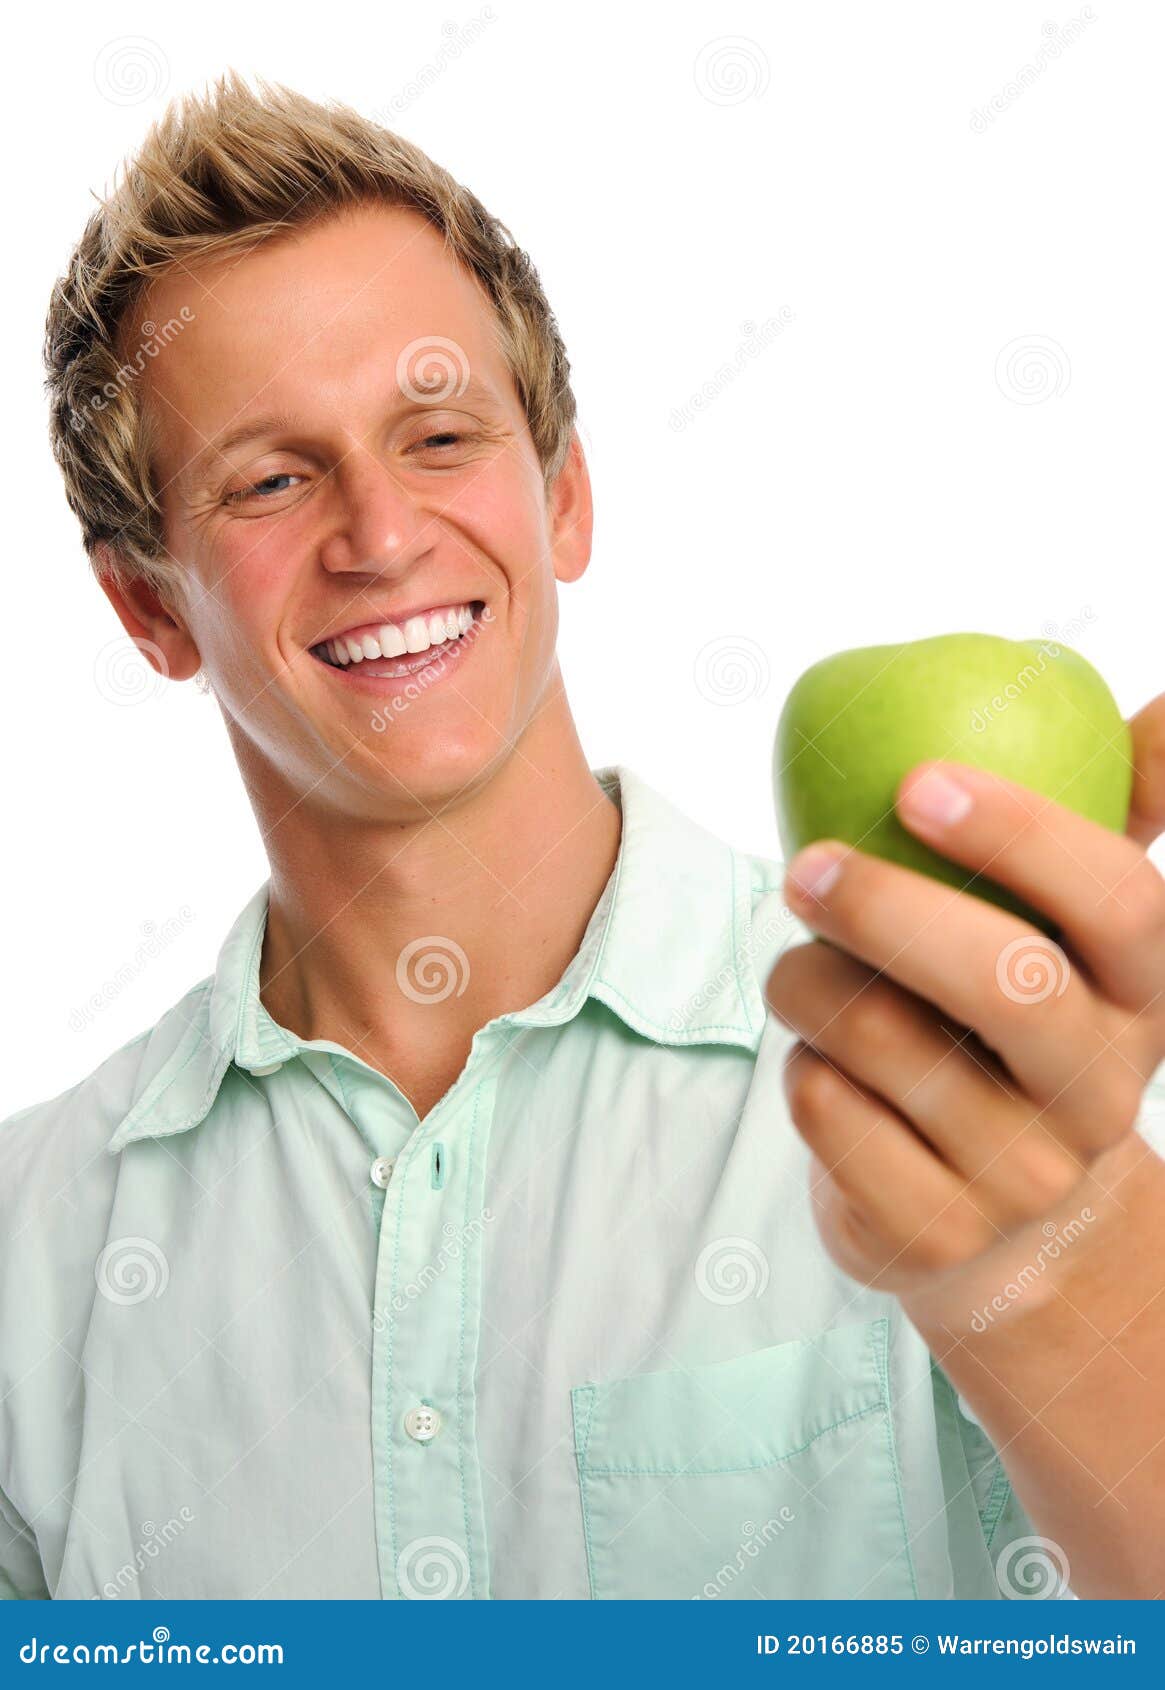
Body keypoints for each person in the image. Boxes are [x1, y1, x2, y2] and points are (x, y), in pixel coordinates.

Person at [3, 71, 1164, 1602]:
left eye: (435, 436)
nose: (379, 534)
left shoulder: (945, 1092)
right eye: (272, 477)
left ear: (562, 495)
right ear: (149, 605)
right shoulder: (37, 1247)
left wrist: (1063, 1256)